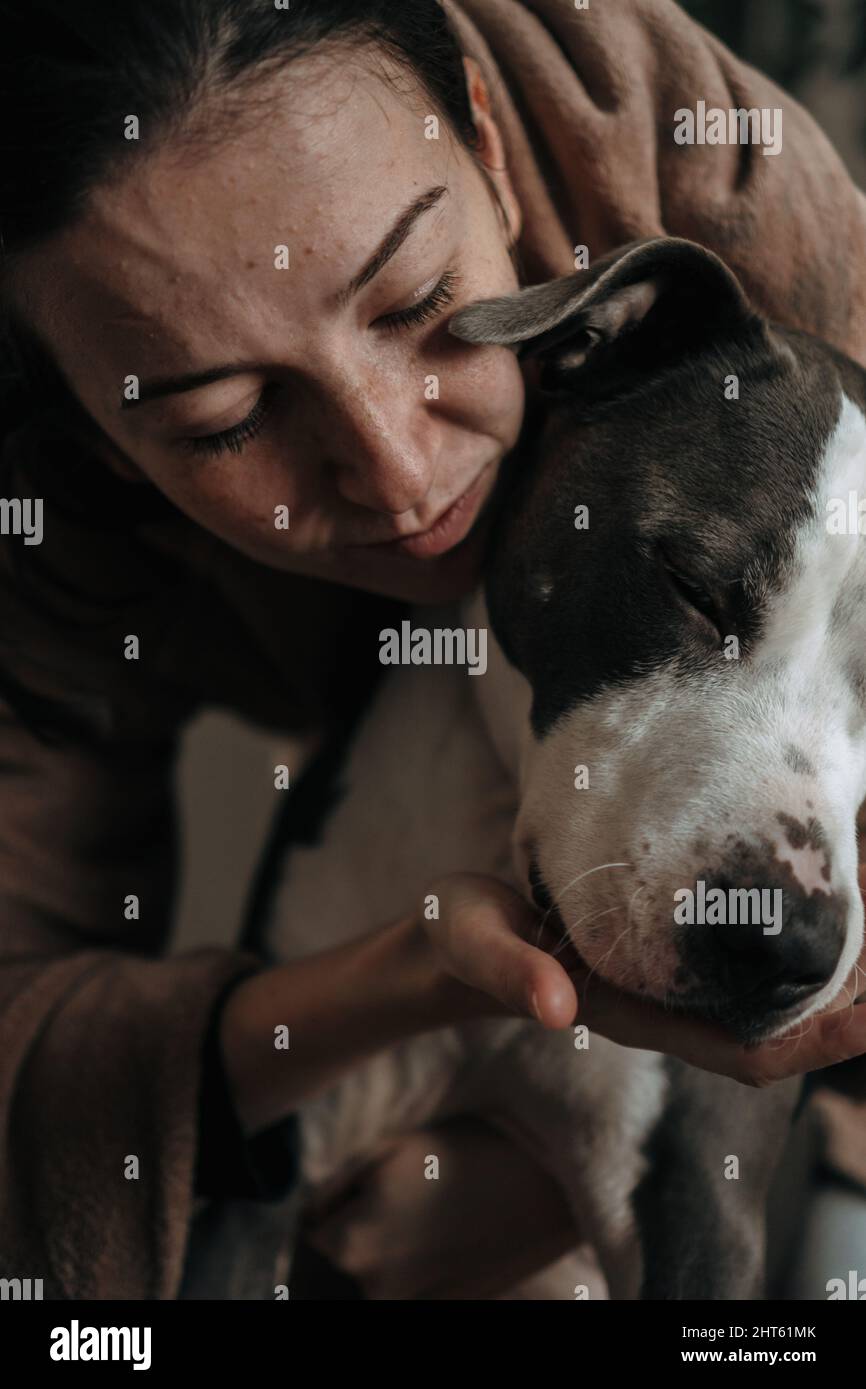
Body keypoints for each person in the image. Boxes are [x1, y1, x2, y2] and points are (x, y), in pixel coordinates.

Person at [1, 0, 865, 1301]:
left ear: (490, 143)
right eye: (228, 417)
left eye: (419, 302)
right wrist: (394, 993)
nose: (399, 473)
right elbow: (25, 1035)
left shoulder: (750, 221)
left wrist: (549, 1184)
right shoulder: (45, 535)